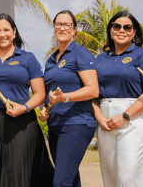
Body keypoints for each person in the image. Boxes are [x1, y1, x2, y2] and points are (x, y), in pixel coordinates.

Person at [0, 13, 54, 187]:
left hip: (21, 122)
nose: (2, 34)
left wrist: (25, 107)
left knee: (17, 177)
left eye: (6, 29)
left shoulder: (28, 58)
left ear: (14, 32)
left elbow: (40, 94)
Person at [92, 10, 143, 187]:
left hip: (133, 118)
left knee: (130, 179)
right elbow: (92, 94)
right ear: (111, 30)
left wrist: (125, 116)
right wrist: (100, 119)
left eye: (127, 27)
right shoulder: (99, 59)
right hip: (105, 120)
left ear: (134, 31)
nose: (122, 30)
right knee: (111, 179)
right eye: (117, 26)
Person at [39, 10, 99, 187]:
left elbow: (93, 90)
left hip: (76, 124)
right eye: (58, 24)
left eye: (67, 25)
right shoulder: (51, 59)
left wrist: (65, 97)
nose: (62, 28)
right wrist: (45, 109)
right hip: (55, 125)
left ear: (74, 30)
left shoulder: (81, 53)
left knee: (60, 182)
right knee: (70, 180)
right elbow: (50, 93)